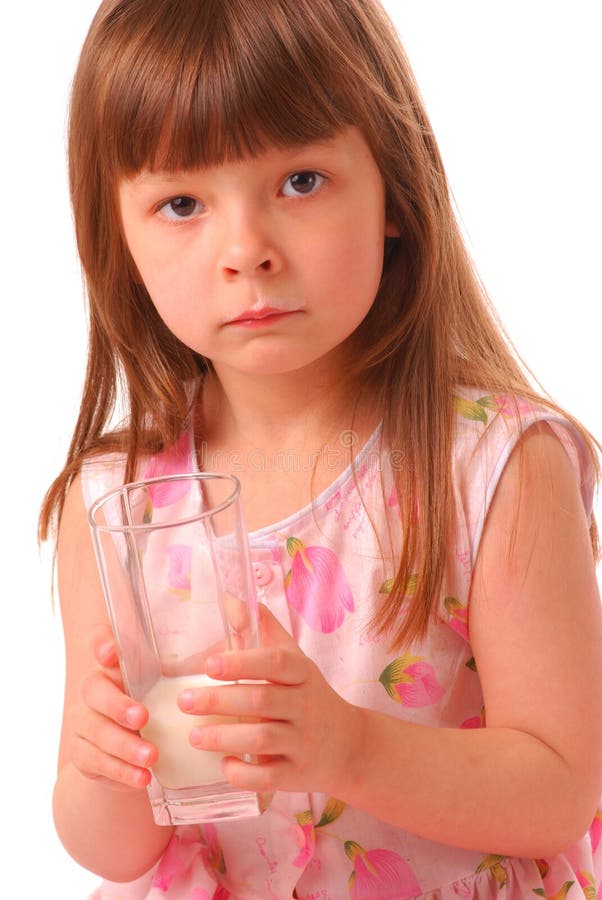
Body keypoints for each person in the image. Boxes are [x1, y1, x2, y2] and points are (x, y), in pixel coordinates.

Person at [40, 0, 602, 897]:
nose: (247, 250)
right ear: (120, 243)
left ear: (394, 192)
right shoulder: (115, 504)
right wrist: (106, 767)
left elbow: (561, 790)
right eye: (181, 202)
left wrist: (350, 747)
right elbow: (113, 849)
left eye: (300, 181)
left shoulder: (493, 467)